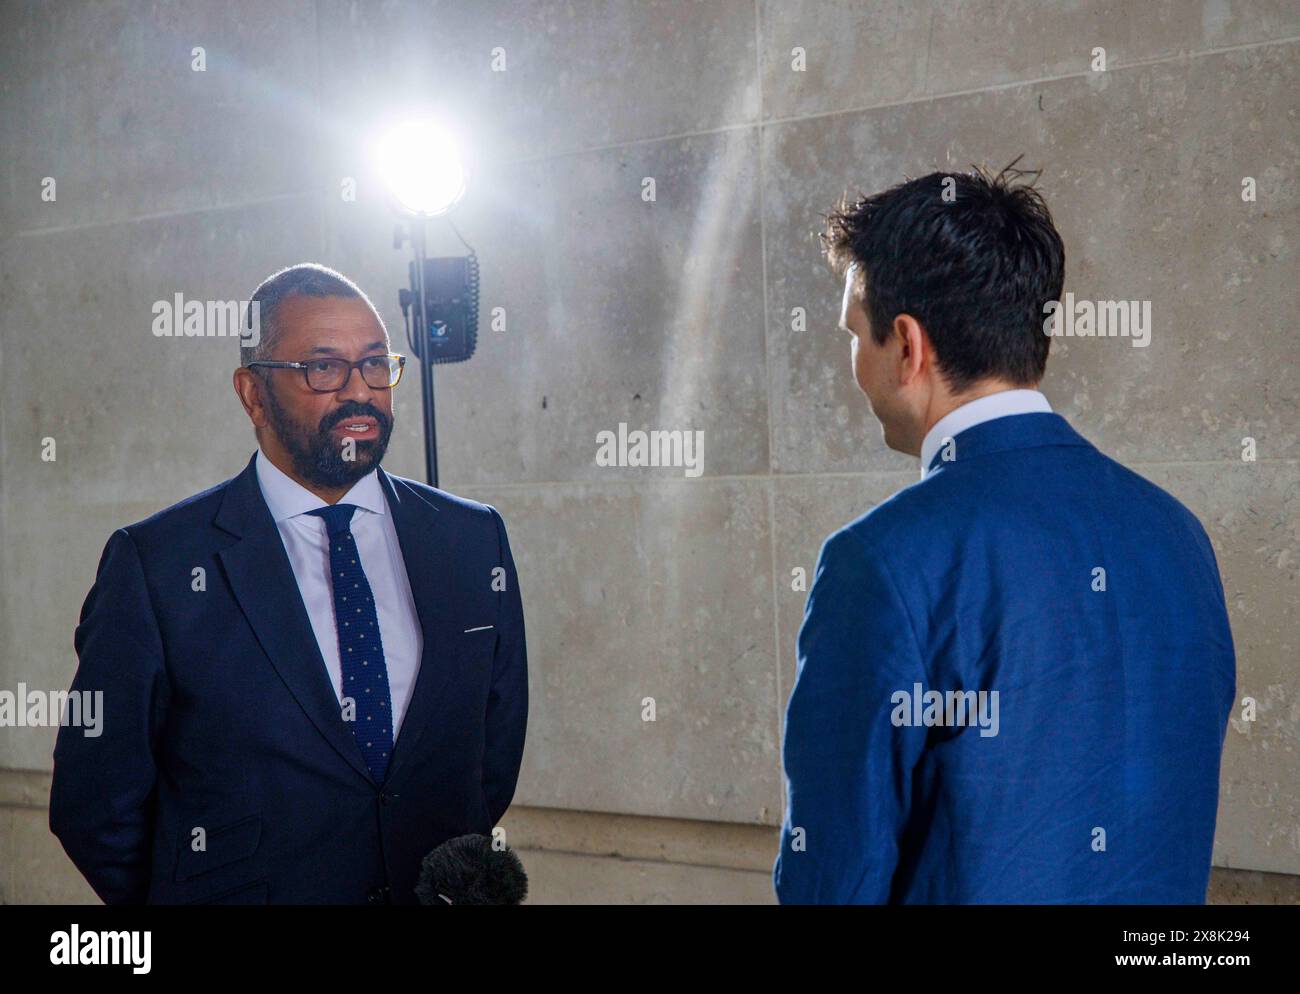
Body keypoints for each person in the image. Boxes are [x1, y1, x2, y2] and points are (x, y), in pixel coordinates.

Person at [774, 165, 1235, 903]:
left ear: (907, 346)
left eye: (854, 337)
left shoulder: (881, 564)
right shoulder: (1177, 537)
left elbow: (834, 879)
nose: (853, 366)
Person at [50, 263, 528, 904]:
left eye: (376, 364)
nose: (359, 392)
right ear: (252, 393)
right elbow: (95, 804)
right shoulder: (157, 564)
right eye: (323, 368)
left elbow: (490, 761)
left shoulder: (473, 540)